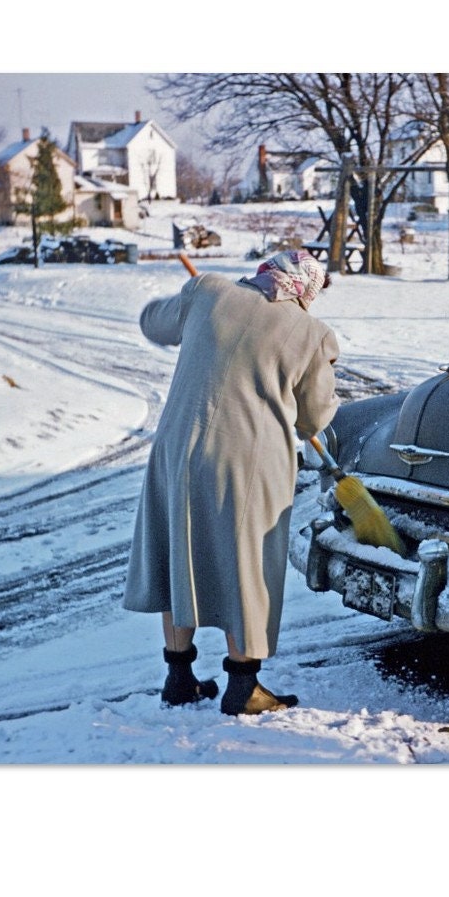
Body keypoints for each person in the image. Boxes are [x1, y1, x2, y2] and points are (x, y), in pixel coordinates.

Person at [124, 251, 340, 715]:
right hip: (246, 463)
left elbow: (152, 324)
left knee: (177, 553)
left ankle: (178, 677)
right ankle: (243, 687)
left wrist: (188, 304)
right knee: (245, 565)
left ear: (267, 270)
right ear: (308, 291)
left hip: (177, 450)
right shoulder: (312, 335)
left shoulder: (209, 291)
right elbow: (313, 418)